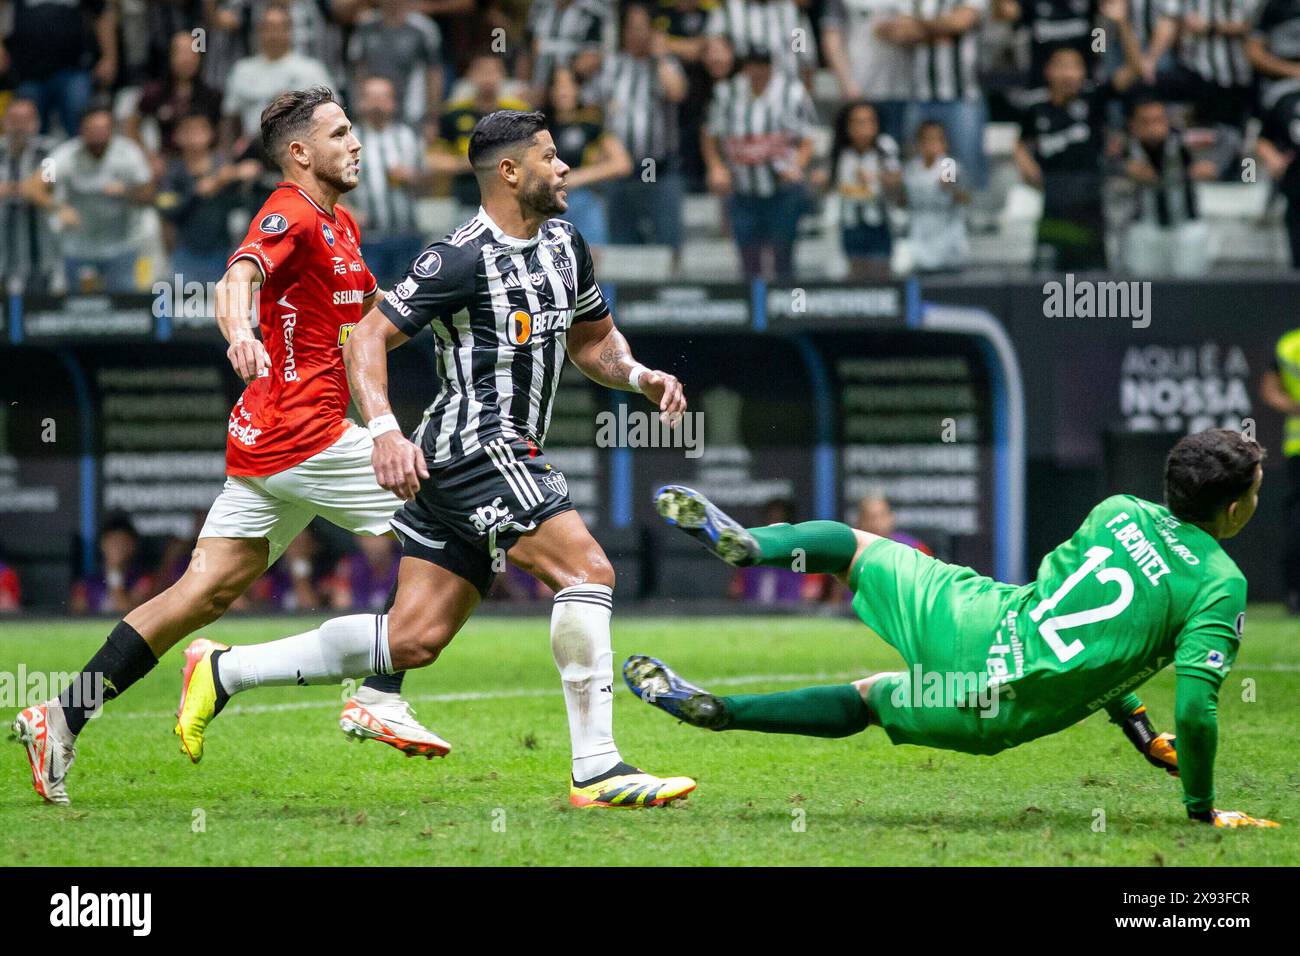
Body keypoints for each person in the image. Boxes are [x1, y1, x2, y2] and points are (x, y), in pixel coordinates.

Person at [175, 109, 697, 810]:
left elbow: (593, 345)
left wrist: (640, 377)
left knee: (412, 640)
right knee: (589, 570)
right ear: (509, 172)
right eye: (549, 157)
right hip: (476, 447)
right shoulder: (456, 256)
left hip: (480, 457)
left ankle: (224, 670)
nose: (565, 167)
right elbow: (364, 341)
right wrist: (386, 431)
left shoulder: (569, 245)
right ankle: (598, 769)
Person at [10, 86, 441, 807]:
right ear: (301, 153)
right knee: (445, 518)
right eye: (340, 134)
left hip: (269, 443)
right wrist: (240, 331)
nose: (356, 143)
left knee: (197, 595)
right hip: (305, 433)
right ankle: (378, 690)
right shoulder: (290, 211)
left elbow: (373, 317)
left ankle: (59, 715)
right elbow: (237, 276)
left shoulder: (344, 227)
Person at [631, 428, 1281, 829]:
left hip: (973, 617)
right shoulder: (1220, 584)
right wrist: (1199, 805)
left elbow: (1079, 617)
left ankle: (753, 543)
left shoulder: (1118, 511)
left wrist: (1136, 726)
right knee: (869, 700)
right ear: (1232, 509)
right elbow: (1192, 708)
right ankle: (720, 712)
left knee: (853, 547)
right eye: (1253, 491)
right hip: (991, 703)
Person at [703, 46, 817, 282]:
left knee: (783, 251)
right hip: (742, 188)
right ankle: (753, 308)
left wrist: (797, 164)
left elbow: (808, 136)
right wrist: (716, 166)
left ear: (771, 67)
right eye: (753, 67)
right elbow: (709, 132)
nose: (759, 73)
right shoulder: (727, 92)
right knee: (748, 254)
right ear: (746, 68)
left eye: (764, 66)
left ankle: (785, 307)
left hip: (782, 189)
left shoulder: (792, 92)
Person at [27, 104, 155, 294]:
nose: (98, 135)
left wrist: (127, 192)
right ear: (81, 131)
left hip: (121, 245)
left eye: (103, 129)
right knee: (78, 311)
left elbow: (149, 193)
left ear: (112, 130)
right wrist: (57, 208)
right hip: (78, 248)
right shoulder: (65, 156)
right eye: (92, 129)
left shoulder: (128, 154)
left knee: (127, 310)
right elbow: (33, 186)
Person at [1119, 96, 1215, 277]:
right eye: (1145, 122)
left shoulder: (1184, 142)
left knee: (1190, 284)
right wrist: (1122, 169)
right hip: (1145, 227)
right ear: (1133, 124)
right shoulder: (1124, 148)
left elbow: (1237, 146)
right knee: (1143, 289)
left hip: (1185, 226)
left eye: (1158, 120)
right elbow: (1100, 166)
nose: (1153, 128)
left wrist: (1215, 165)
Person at [351, 75, 429, 288]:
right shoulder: (349, 138)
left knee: (408, 299)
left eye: (383, 97)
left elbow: (427, 183)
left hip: (407, 236)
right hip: (365, 239)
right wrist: (346, 211)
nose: (377, 103)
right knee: (368, 300)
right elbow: (328, 186)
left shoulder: (407, 136)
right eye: (372, 97)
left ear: (393, 103)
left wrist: (412, 176)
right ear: (361, 102)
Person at [544, 66, 631, 248]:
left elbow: (622, 164)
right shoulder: (539, 126)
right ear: (550, 91)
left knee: (591, 261)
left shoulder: (590, 124)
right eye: (558, 86)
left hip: (581, 199)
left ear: (578, 89)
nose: (563, 91)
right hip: (545, 203)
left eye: (569, 85)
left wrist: (578, 177)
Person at [825, 100, 901, 280]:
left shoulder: (884, 148)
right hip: (850, 220)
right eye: (857, 122)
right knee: (854, 270)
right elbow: (832, 185)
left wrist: (877, 177)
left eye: (869, 122)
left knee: (882, 269)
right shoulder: (841, 153)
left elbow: (897, 180)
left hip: (878, 219)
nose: (864, 128)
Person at [1259, 332, 1300, 614]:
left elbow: (1270, 390)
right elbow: (1270, 389)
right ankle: (1295, 594)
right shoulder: (1288, 345)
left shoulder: (1288, 344)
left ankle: (1294, 595)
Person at [0, 97, 58, 294]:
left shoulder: (50, 151)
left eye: (25, 121)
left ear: (36, 123)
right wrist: (27, 187)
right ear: (4, 122)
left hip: (40, 247)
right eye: (14, 120)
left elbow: (48, 182)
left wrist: (12, 188)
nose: (19, 127)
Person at [902, 120, 970, 272]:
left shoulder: (949, 164)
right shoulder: (911, 168)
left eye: (936, 139)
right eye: (926, 140)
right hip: (920, 236)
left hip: (947, 236)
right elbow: (903, 199)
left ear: (945, 143)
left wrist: (949, 186)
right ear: (918, 143)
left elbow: (958, 191)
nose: (931, 144)